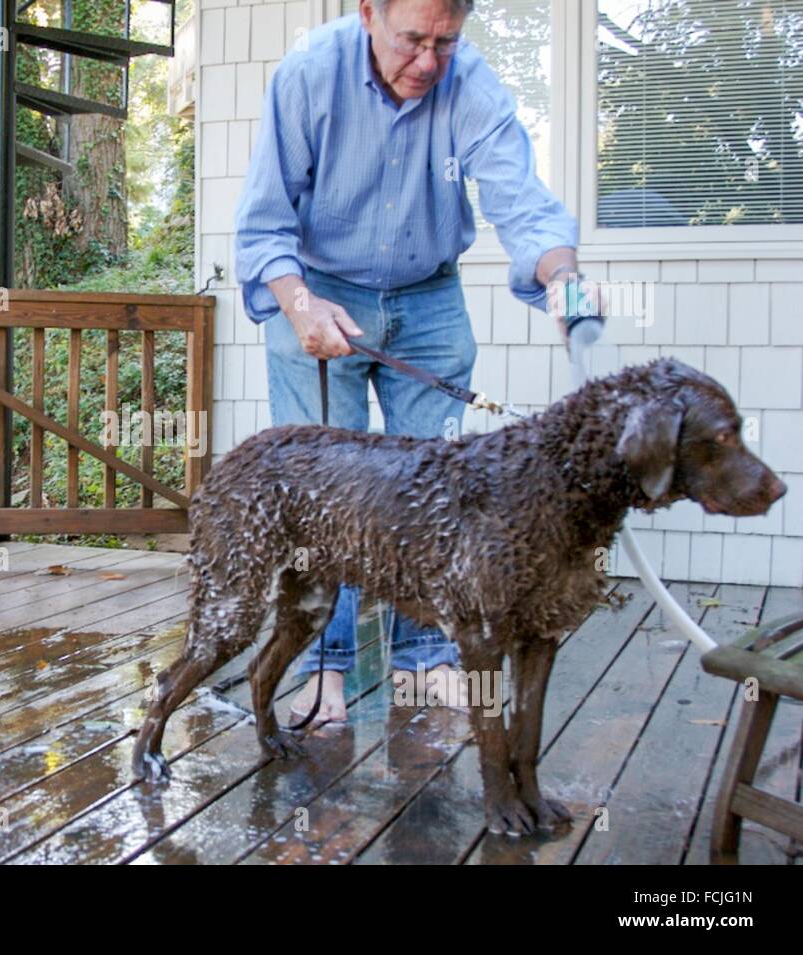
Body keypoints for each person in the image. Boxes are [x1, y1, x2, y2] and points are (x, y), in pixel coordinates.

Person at [234, 0, 592, 724]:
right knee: (322, 503)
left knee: (434, 495)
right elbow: (264, 222)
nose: (428, 62)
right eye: (412, 41)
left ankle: (422, 663)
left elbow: (523, 204)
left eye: (446, 43)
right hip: (318, 287)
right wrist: (301, 305)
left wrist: (564, 280)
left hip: (430, 297)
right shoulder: (308, 74)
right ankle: (325, 672)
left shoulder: (473, 86)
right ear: (368, 12)